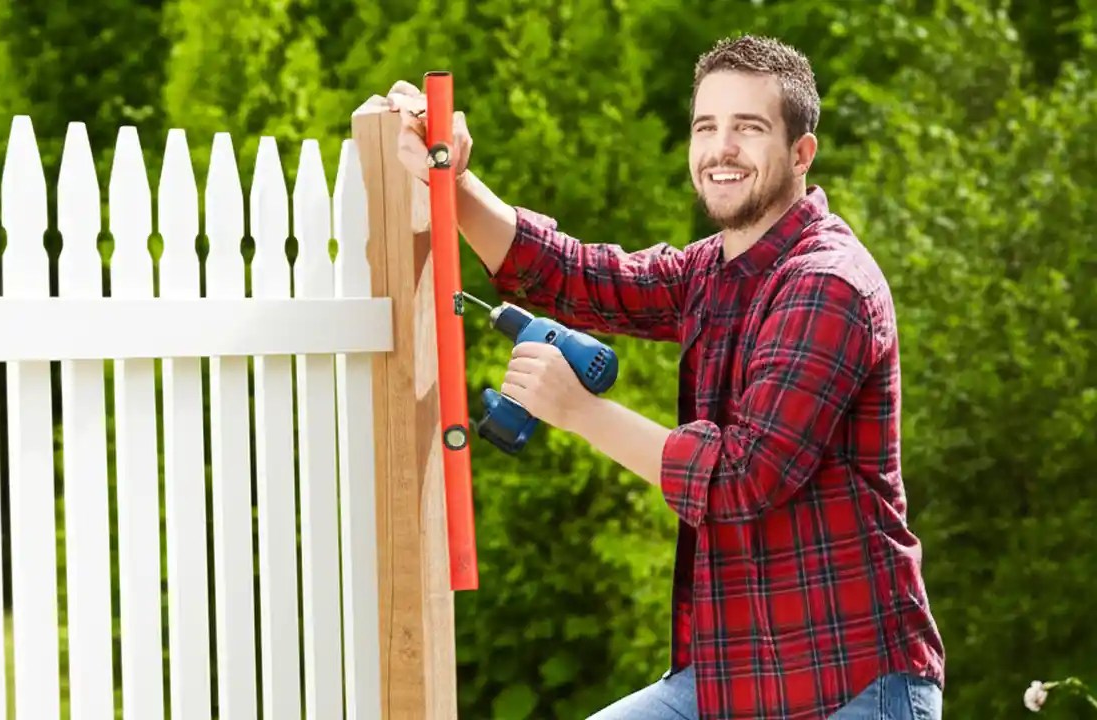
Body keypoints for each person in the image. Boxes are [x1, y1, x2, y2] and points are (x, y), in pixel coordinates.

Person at [385, 34, 946, 720]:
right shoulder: (714, 270)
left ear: (802, 153)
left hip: (850, 686)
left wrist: (581, 411)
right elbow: (575, 274)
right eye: (706, 126)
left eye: (749, 127)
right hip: (732, 680)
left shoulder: (827, 284)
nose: (721, 147)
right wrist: (452, 179)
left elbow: (744, 478)